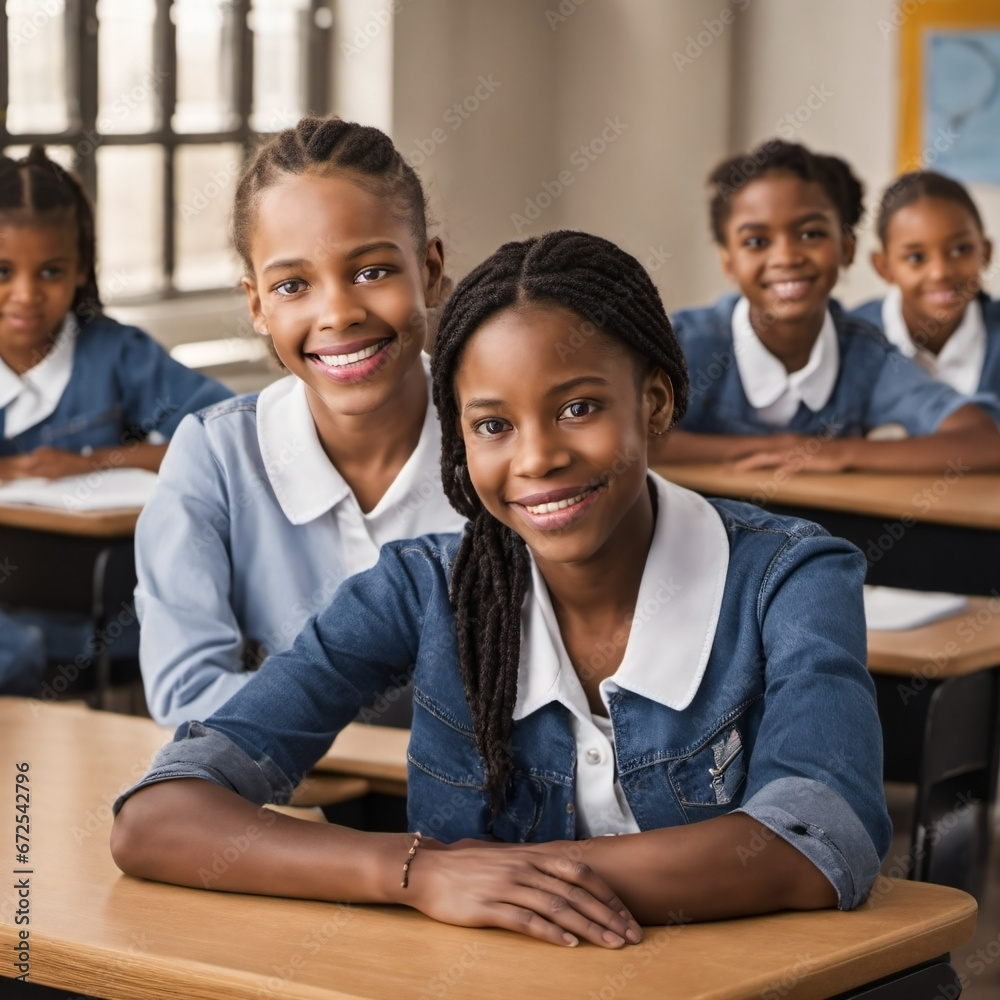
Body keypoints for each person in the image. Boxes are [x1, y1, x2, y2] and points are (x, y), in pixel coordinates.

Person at [112, 230, 891, 947]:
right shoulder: (422, 587)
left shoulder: (791, 577)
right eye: (493, 425)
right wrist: (421, 872)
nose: (537, 457)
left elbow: (814, 840)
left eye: (578, 408)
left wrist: (510, 878)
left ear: (653, 402)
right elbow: (158, 818)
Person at [135, 117, 465, 726]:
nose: (337, 313)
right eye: (292, 285)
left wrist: (282, 703)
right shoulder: (215, 458)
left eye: (372, 271)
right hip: (284, 809)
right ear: (257, 305)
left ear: (432, 269)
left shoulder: (505, 442)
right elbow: (187, 696)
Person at [0, 146, 231, 696]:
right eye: (3, 270)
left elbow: (224, 432)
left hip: (99, 618)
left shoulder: (115, 353)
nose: (27, 294)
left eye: (51, 271)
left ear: (80, 269)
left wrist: (90, 462)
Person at [655, 140, 1000, 473]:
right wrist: (775, 448)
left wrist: (841, 453)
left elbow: (985, 441)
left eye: (811, 235)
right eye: (757, 241)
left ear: (846, 248)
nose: (786, 257)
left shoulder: (868, 358)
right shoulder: (686, 345)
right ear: (729, 262)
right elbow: (625, 436)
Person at [851, 170, 999, 399]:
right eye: (916, 258)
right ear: (884, 267)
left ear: (986, 253)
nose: (940, 273)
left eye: (961, 249)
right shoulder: (850, 341)